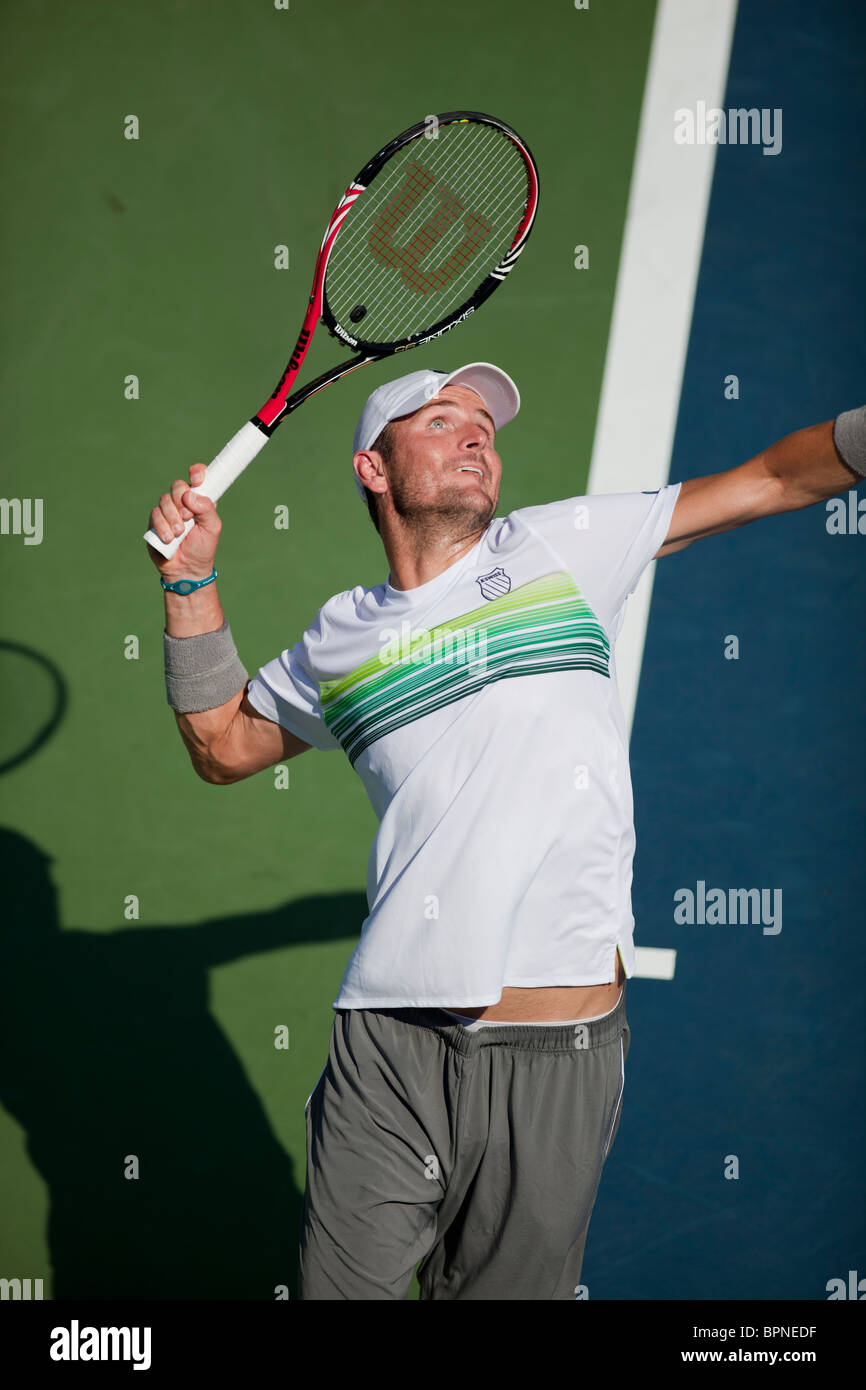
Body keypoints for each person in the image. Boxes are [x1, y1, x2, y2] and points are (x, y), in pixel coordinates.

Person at [147, 365, 865, 1300]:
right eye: (441, 421)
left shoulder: (563, 548)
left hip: (557, 1057)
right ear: (373, 468)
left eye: (484, 426)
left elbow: (771, 478)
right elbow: (222, 744)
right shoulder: (342, 638)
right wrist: (189, 580)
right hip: (390, 1048)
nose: (476, 437)